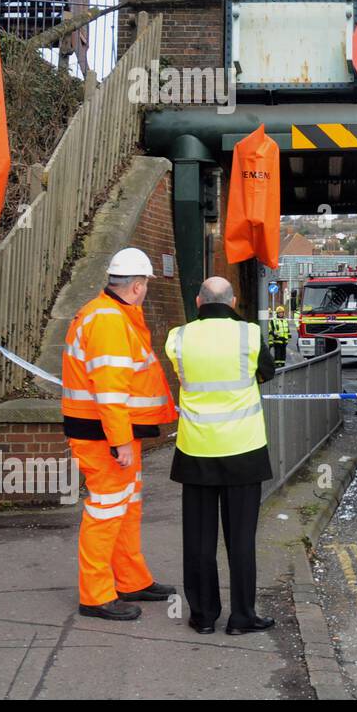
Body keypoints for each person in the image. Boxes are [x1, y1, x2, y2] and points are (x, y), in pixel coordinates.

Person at [61, 247, 178, 621]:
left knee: (125, 508)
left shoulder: (110, 314)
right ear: (138, 286)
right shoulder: (110, 320)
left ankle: (130, 580)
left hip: (111, 432)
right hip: (105, 436)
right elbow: (110, 390)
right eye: (146, 285)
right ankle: (95, 596)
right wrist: (120, 441)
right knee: (107, 510)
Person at [165, 277, 276, 636]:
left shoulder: (178, 338)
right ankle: (242, 616)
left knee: (198, 540)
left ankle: (203, 615)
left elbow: (182, 376)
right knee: (241, 539)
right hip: (243, 449)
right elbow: (268, 372)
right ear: (233, 301)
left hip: (196, 449)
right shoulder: (249, 335)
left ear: (198, 301)